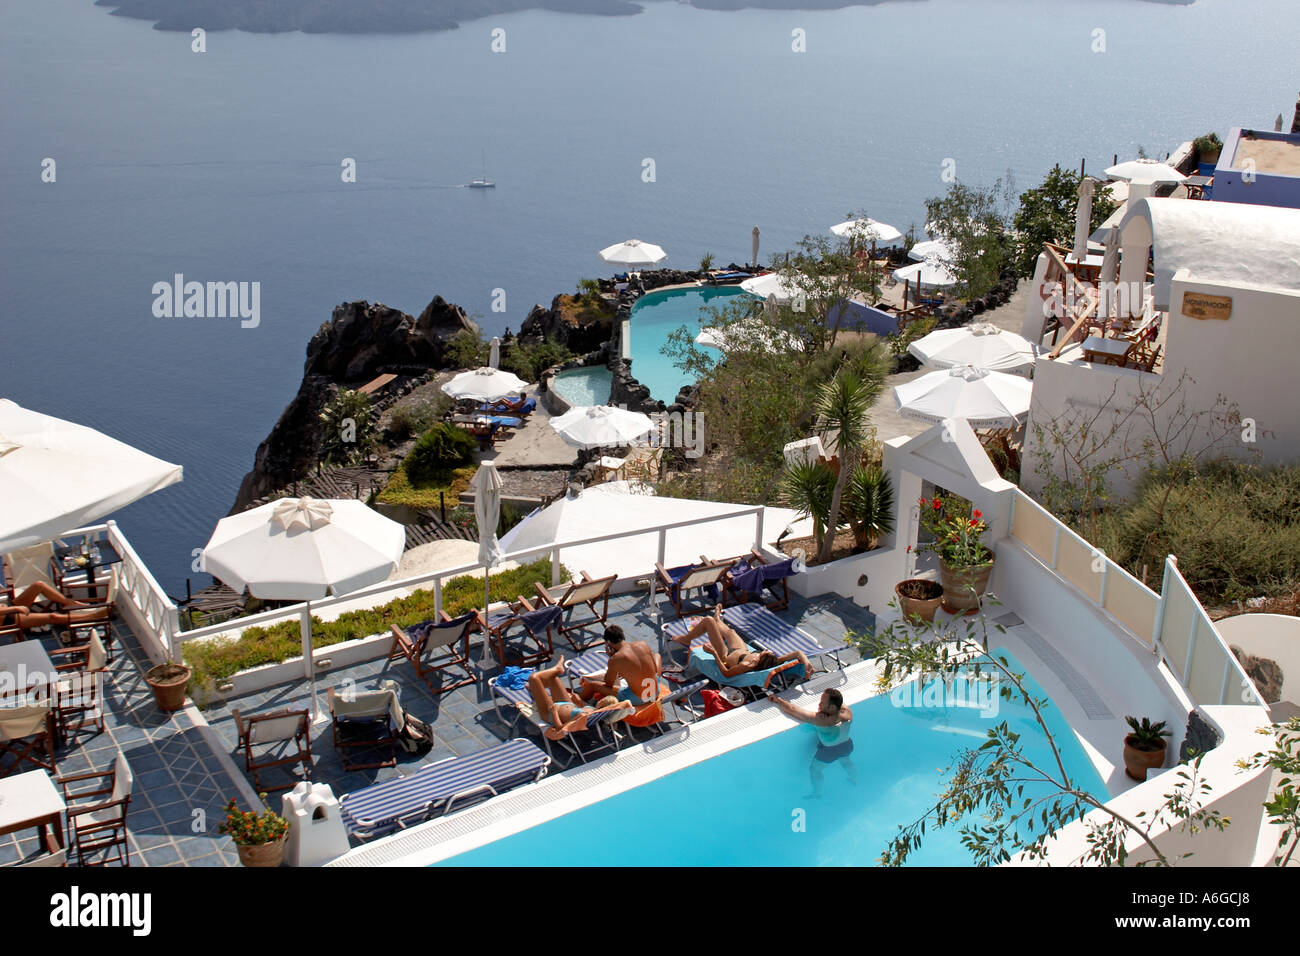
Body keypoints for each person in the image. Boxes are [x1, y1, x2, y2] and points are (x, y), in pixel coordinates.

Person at [672, 604, 815, 680]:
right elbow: (798, 653)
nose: (767, 650)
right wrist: (807, 663)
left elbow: (727, 673)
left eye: (766, 652)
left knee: (707, 622)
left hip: (725, 656)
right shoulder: (773, 660)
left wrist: (714, 653)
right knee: (731, 632)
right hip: (742, 650)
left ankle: (686, 639)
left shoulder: (747, 665)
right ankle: (718, 618)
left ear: (760, 659)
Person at [767, 688, 856, 797]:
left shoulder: (821, 720)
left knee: (814, 770)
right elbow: (838, 706)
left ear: (832, 707)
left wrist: (777, 700)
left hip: (829, 751)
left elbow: (793, 710)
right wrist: (825, 710)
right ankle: (854, 778)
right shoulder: (847, 713)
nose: (819, 704)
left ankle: (817, 793)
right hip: (847, 745)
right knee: (846, 760)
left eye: (822, 703)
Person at [526, 658, 618, 738]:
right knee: (553, 678)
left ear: (601, 704)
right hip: (567, 703)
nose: (599, 700)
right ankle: (536, 688)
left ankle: (554, 671)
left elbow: (561, 729)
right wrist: (577, 699)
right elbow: (579, 702)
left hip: (550, 712)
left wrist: (554, 712)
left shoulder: (583, 716)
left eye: (601, 701)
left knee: (533, 678)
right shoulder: (593, 710)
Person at [579, 625, 661, 707]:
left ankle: (578, 703)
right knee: (657, 656)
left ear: (609, 643)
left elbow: (609, 684)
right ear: (623, 636)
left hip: (639, 699)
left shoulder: (615, 659)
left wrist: (612, 658)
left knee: (593, 685)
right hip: (655, 691)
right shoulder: (642, 644)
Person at [0, 581, 110, 632]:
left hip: (8, 607)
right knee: (52, 617)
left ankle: (72, 604)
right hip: (8, 620)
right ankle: (93, 617)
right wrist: (15, 609)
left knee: (38, 585)